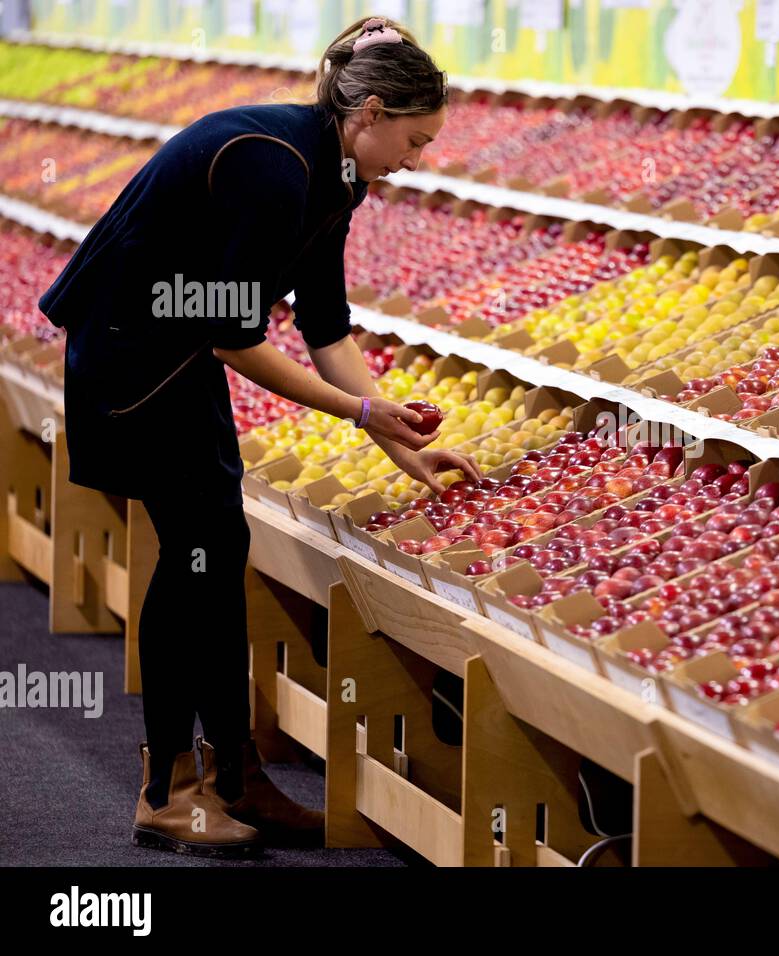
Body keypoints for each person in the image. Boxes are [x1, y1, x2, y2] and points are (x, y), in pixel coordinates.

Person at [38, 16, 478, 857]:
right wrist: (358, 416)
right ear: (372, 111)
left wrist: (398, 440)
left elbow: (325, 325)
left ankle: (234, 777)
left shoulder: (335, 175)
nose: (417, 160)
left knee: (215, 543)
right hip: (133, 355)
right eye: (415, 140)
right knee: (194, 551)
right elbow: (237, 338)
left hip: (176, 351)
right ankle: (165, 791)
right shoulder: (274, 167)